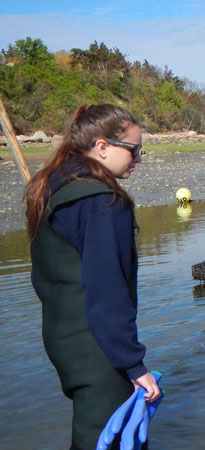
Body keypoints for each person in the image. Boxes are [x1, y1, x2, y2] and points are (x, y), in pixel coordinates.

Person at [24, 104, 161, 449]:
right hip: (99, 349)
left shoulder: (51, 185)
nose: (138, 158)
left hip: (63, 341)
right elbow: (107, 290)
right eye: (133, 149)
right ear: (102, 147)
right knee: (109, 440)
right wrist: (133, 364)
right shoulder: (102, 201)